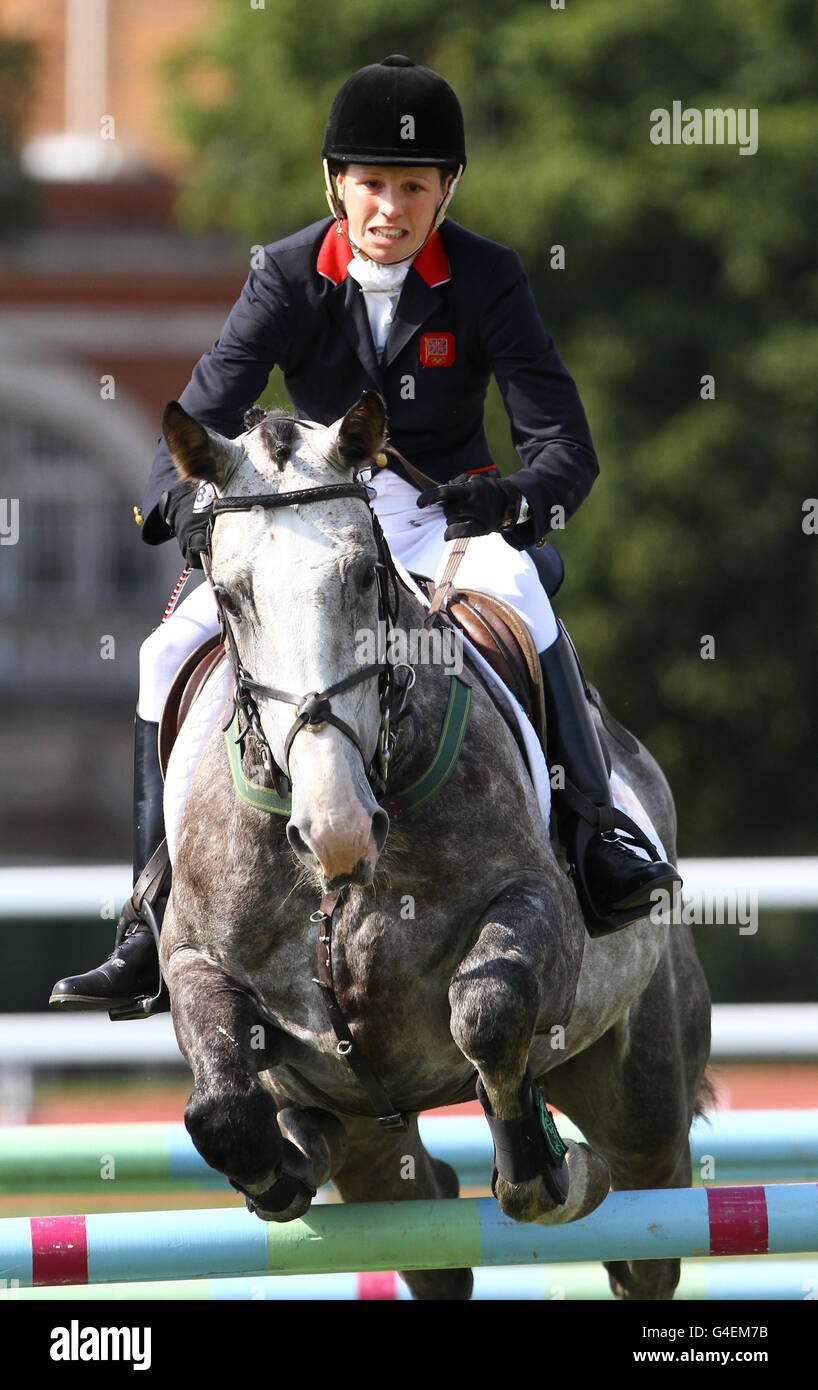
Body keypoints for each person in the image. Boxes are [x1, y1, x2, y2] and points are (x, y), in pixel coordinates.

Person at [50, 55, 679, 1013]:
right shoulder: (286, 272)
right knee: (160, 650)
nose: (391, 207)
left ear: (446, 190)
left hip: (441, 516)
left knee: (524, 600)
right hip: (308, 513)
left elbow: (564, 446)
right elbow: (201, 410)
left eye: (414, 188)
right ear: (336, 182)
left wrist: (507, 500)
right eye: (373, 184)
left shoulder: (488, 277)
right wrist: (179, 511)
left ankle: (596, 839)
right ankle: (149, 920)